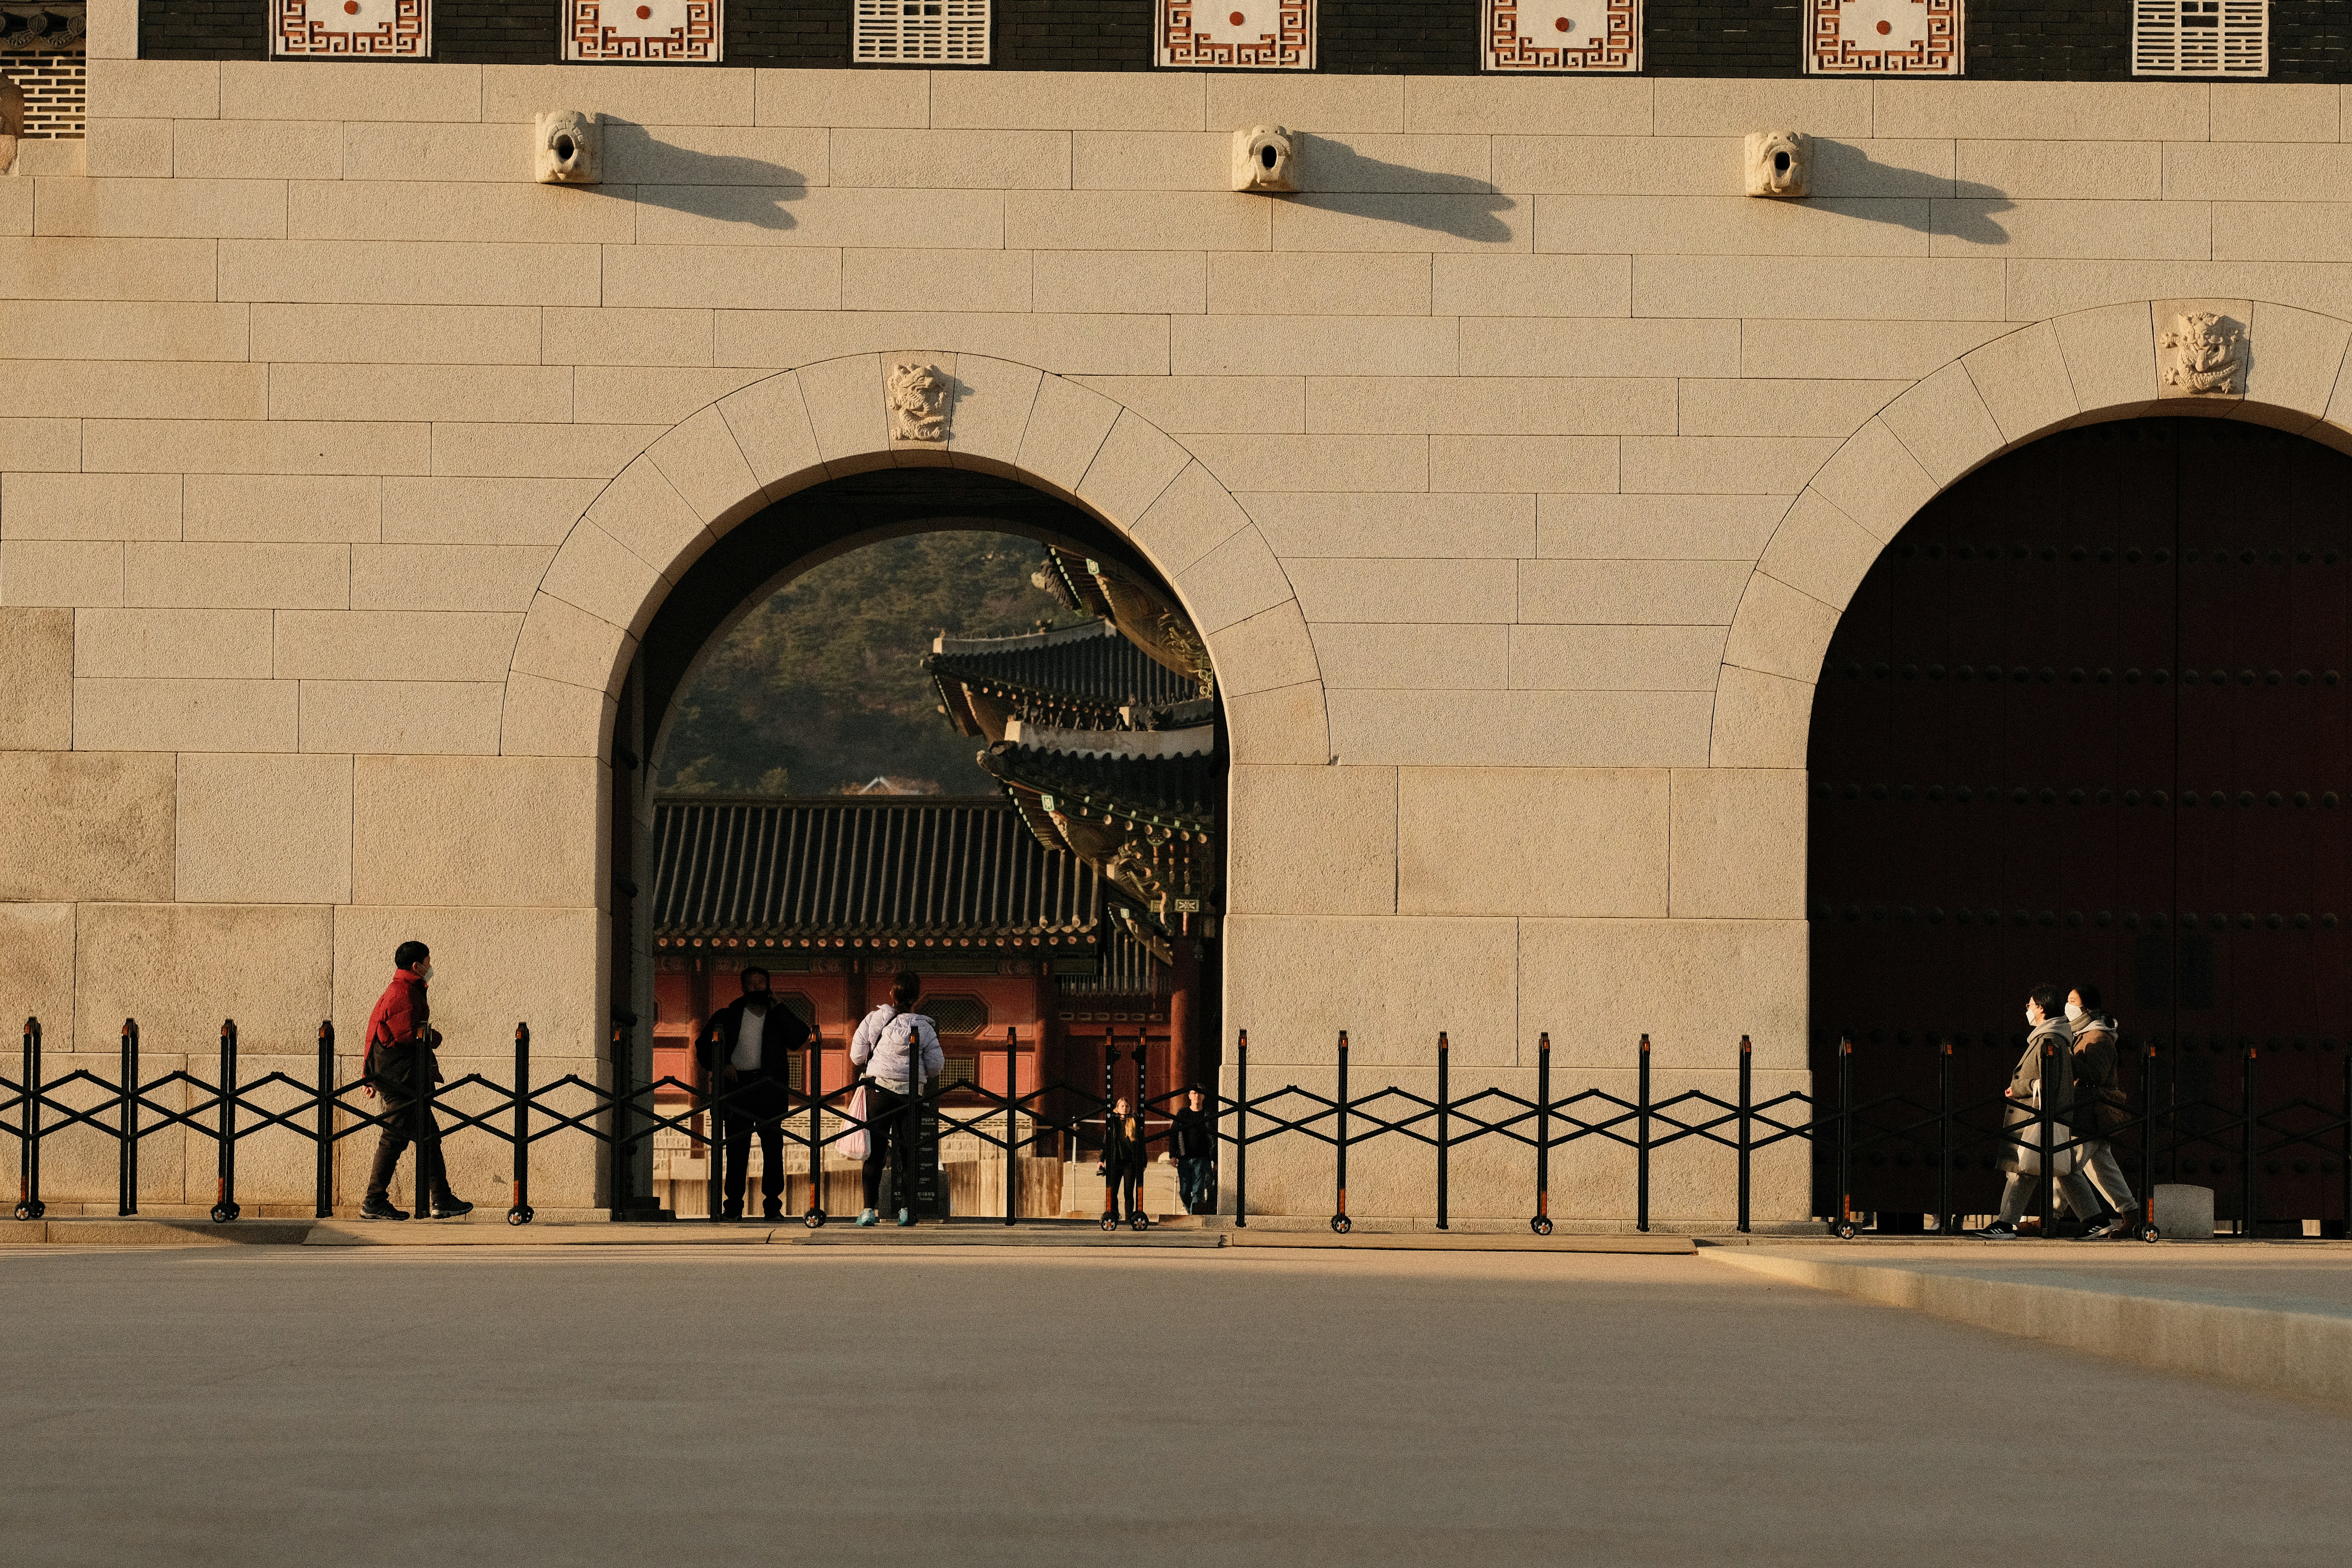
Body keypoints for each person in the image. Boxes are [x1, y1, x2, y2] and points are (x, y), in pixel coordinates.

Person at [1972, 983, 2101, 1239]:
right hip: (2047, 1115)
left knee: (2025, 1169)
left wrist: (2020, 1086)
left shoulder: (2049, 1039)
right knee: (2057, 1169)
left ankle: (2005, 1224)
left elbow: (2049, 1081)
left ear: (2041, 1008)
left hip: (2038, 1116)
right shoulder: (2054, 1037)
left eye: (2030, 1005)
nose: (2028, 1010)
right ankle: (2094, 1220)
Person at [360, 941, 473, 1222]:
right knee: (394, 1138)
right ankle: (374, 1201)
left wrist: (368, 1074)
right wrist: (434, 1037)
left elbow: (374, 1031)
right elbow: (407, 1034)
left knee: (429, 1138)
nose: (430, 967)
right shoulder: (403, 993)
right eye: (428, 962)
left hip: (401, 1075)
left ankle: (442, 1199)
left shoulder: (402, 989)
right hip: (402, 1078)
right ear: (416, 966)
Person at [697, 967, 812, 1221]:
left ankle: (773, 1207)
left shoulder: (776, 1017)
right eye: (751, 983)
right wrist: (723, 1064)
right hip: (738, 1088)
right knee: (737, 1149)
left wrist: (780, 1008)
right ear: (743, 987)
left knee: (773, 1149)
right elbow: (703, 1048)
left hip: (769, 1088)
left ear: (769, 986)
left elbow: (800, 1037)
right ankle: (733, 1207)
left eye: (762, 983)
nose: (757, 987)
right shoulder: (727, 1016)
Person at [848, 969, 942, 1227]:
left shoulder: (874, 1020)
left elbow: (857, 1057)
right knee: (908, 1153)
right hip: (910, 1097)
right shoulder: (924, 1026)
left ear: (892, 993)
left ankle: (869, 1211)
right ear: (917, 997)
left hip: (878, 1093)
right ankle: (907, 1211)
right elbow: (935, 1066)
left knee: (875, 1153)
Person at [2065, 984, 2134, 1240]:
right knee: (2103, 1168)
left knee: (2067, 1168)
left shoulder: (2099, 1037)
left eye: (2073, 1000)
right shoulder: (2084, 1033)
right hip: (2087, 1112)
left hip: (2093, 1113)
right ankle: (2132, 1214)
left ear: (2088, 1007)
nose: (2068, 1006)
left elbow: (2096, 1074)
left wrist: (2067, 1058)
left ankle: (2050, 1218)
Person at [1098, 1095, 1148, 1224]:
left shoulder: (1134, 1122)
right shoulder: (1113, 1123)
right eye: (1122, 1106)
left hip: (1130, 1163)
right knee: (1113, 1191)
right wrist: (1101, 1160)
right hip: (1115, 1161)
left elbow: (1141, 1144)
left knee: (1129, 1192)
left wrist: (1144, 1161)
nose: (1125, 1109)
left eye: (1127, 1106)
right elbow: (1107, 1142)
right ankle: (1114, 1214)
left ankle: (1128, 1218)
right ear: (1117, 1109)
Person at [1168, 1085, 1216, 1215]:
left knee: (1198, 1190)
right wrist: (1173, 1155)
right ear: (1189, 1096)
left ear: (1204, 1096)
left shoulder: (1208, 1115)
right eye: (1194, 1093)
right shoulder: (1183, 1114)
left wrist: (1216, 1160)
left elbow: (1214, 1139)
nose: (1197, 1096)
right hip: (1184, 1158)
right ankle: (1191, 1211)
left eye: (1200, 1094)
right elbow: (1174, 1135)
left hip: (1202, 1158)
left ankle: (1194, 1215)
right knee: (1184, 1191)